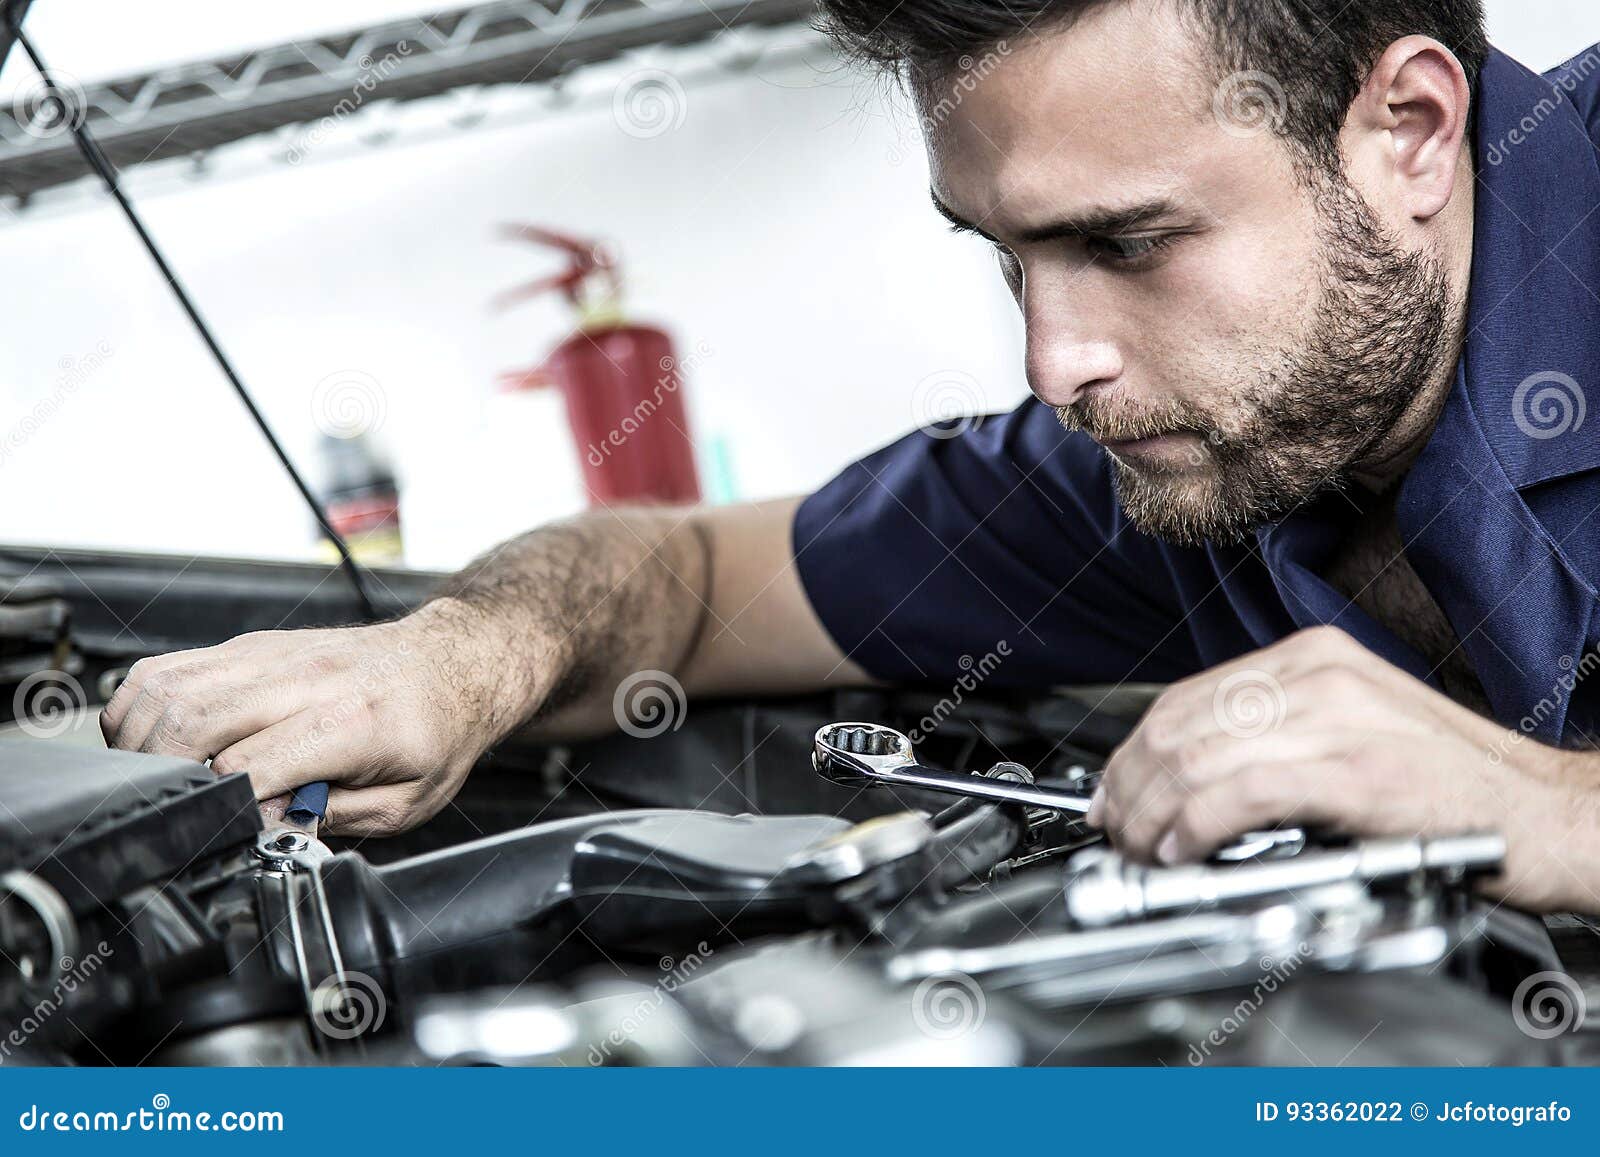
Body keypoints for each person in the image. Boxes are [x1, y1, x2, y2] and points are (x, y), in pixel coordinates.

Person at [102, 0, 1600, 914]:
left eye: (1126, 242)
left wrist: (1546, 807)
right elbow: (685, 573)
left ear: (1407, 129)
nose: (1053, 362)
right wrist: (452, 660)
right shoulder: (1162, 469)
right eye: (1006, 259)